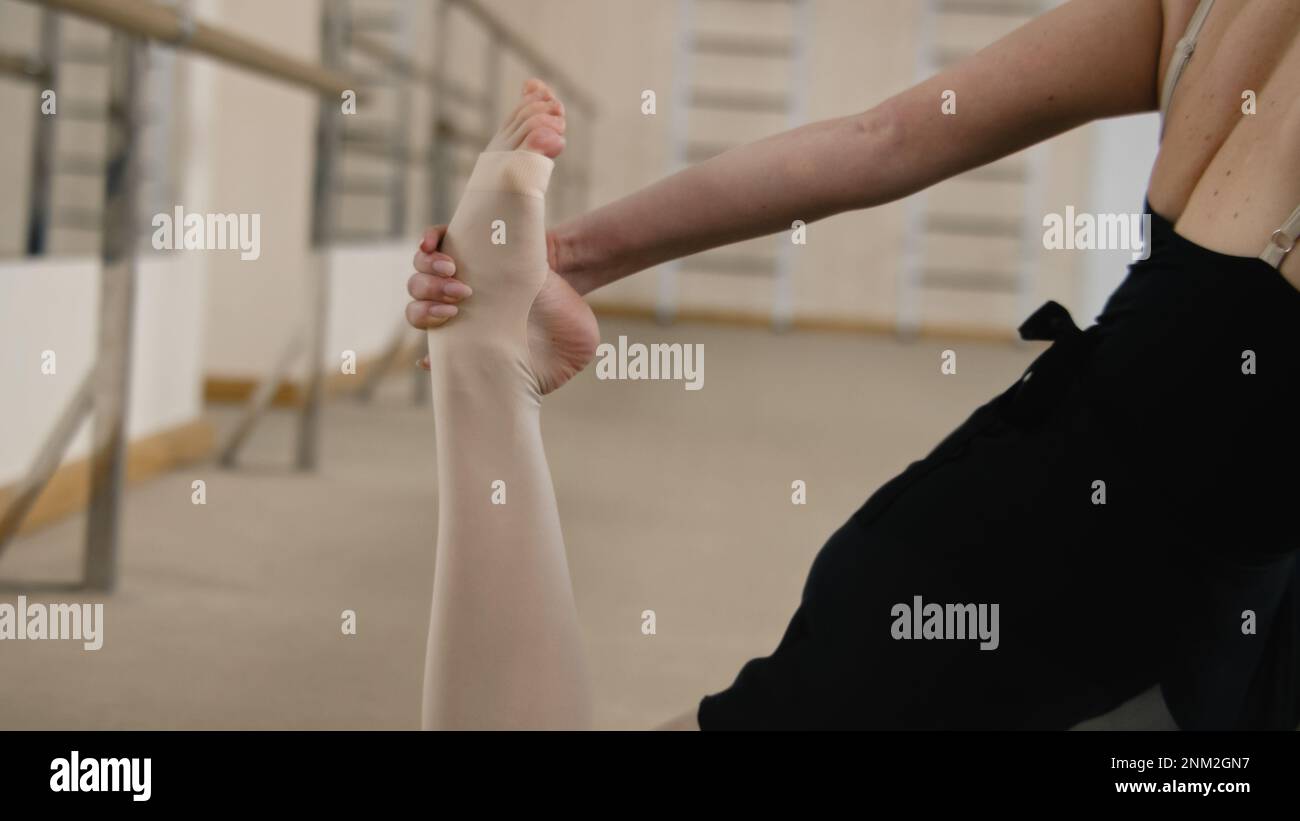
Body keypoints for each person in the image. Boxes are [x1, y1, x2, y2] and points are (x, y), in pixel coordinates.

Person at [407, 0, 1300, 729]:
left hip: (1010, 518)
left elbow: (885, 137)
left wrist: (567, 256)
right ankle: (484, 367)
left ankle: (496, 344)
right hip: (1091, 599)